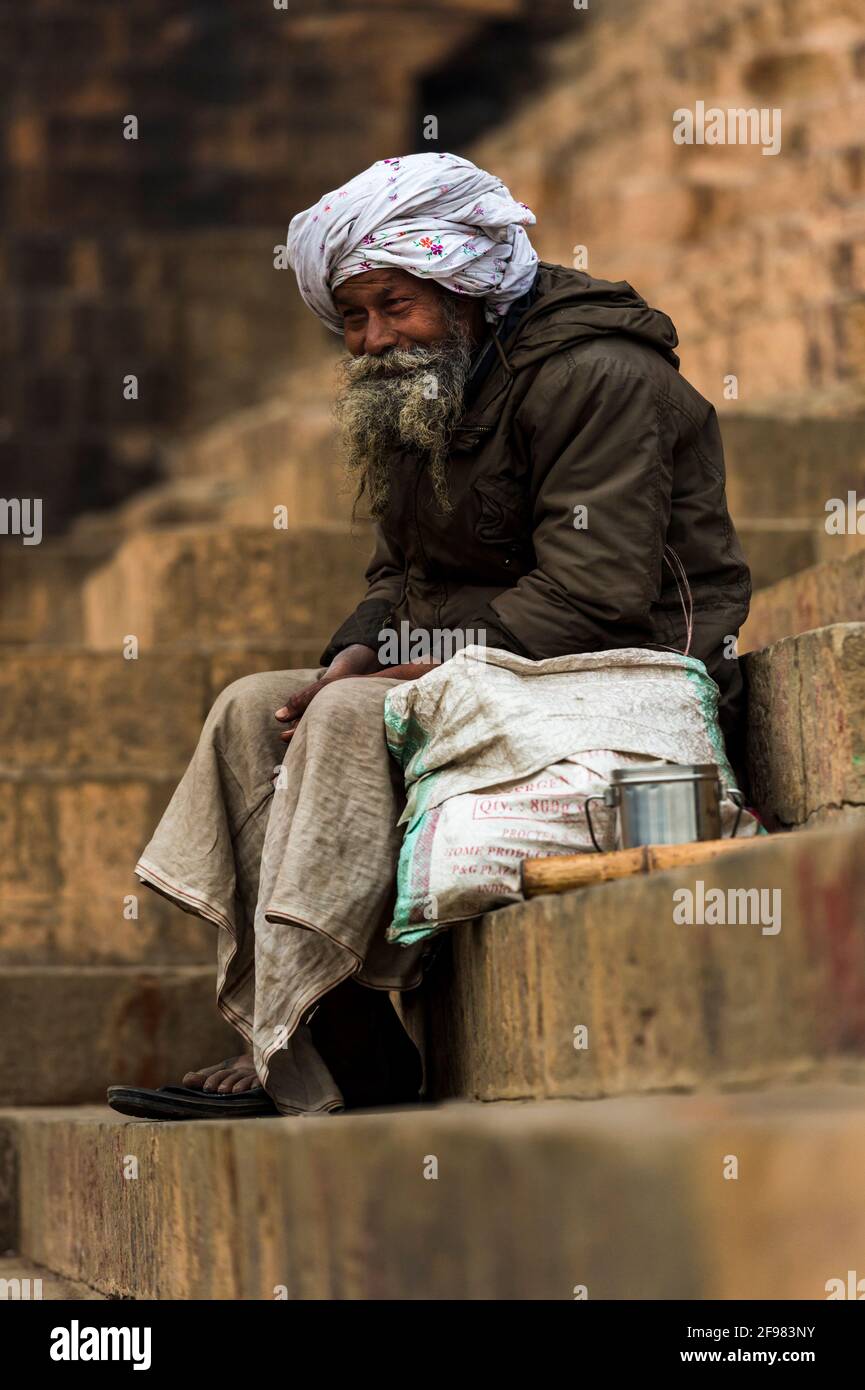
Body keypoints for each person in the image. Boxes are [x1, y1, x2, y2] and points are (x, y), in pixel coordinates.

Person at [107, 151, 751, 1120]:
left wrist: (410, 669)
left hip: (624, 660)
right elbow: (397, 574)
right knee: (255, 709)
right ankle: (326, 1036)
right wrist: (358, 648)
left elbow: (595, 592)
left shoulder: (598, 374)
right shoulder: (428, 380)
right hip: (487, 661)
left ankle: (325, 1014)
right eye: (354, 315)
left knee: (351, 717)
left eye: (393, 305)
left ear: (463, 287)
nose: (371, 337)